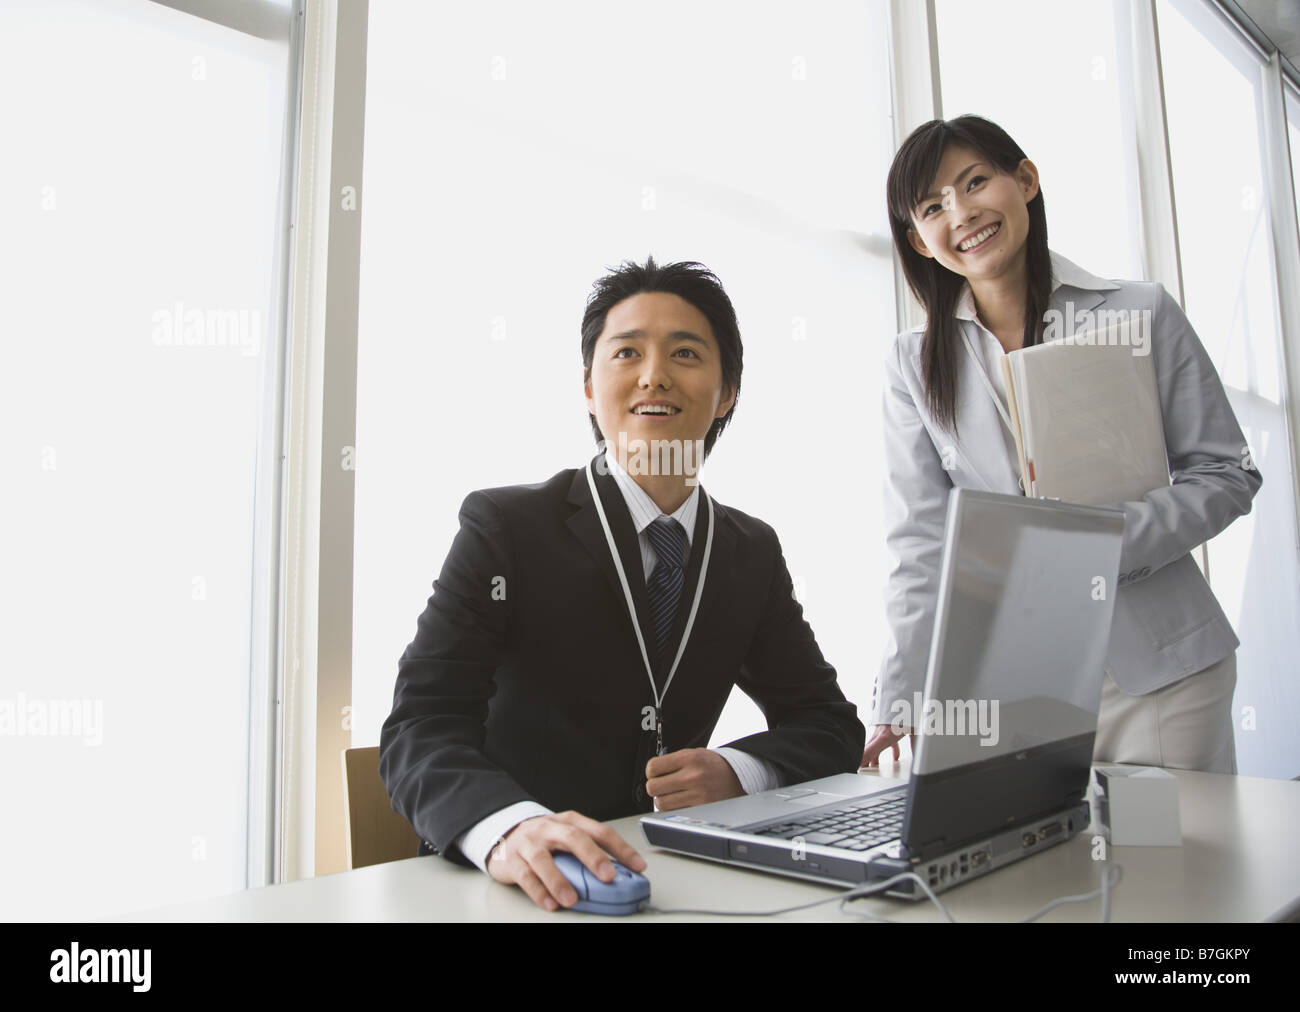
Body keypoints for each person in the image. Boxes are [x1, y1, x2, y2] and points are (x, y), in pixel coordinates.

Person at [380, 256, 865, 912]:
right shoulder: (506, 527)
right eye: (627, 352)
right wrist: (510, 827)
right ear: (588, 386)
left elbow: (827, 723)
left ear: (727, 392)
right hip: (514, 888)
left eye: (686, 353)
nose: (654, 376)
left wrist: (736, 771)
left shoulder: (749, 550)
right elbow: (423, 724)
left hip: (675, 881)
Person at [865, 115, 1261, 776]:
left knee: (1175, 874)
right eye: (934, 207)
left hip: (1162, 676)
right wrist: (899, 698)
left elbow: (1226, 473)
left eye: (976, 182)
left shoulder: (1139, 311)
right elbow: (921, 545)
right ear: (919, 241)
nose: (961, 213)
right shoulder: (912, 365)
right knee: (1047, 877)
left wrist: (1103, 543)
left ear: (1025, 180)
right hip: (1020, 693)